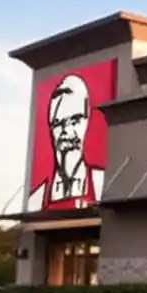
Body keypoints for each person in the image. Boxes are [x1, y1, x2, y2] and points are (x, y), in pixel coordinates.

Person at [27, 74, 105, 211]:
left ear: (87, 122)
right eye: (58, 124)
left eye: (75, 121)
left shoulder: (103, 185)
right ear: (50, 130)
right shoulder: (36, 199)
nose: (66, 131)